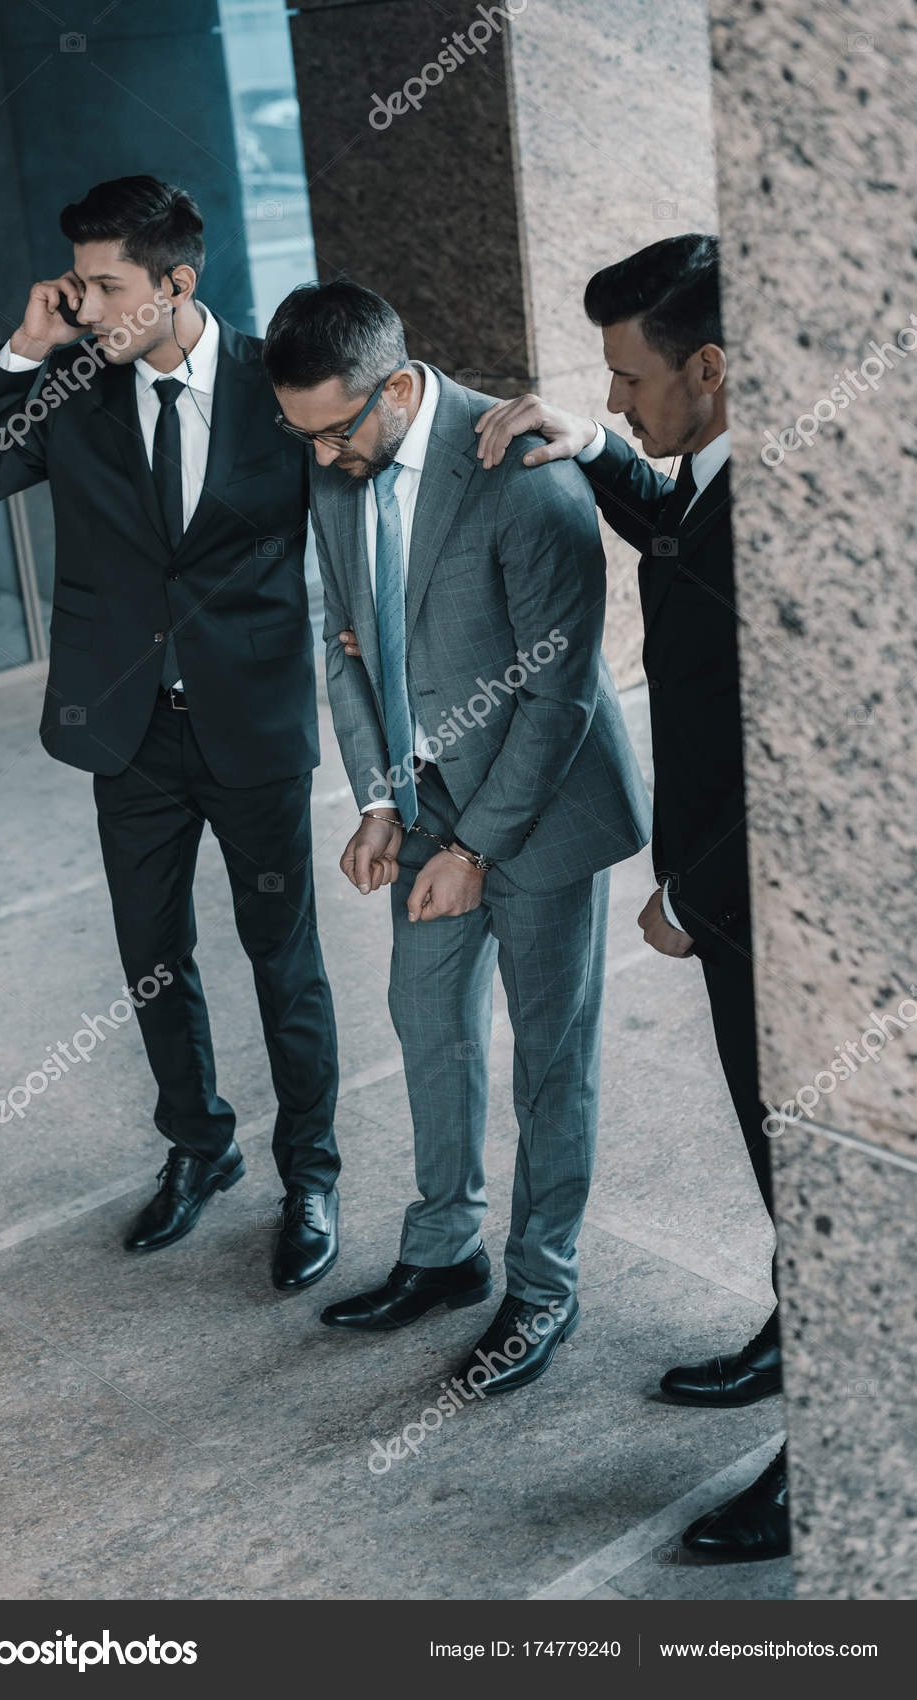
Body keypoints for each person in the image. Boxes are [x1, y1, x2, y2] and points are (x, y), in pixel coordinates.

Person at [0, 176, 340, 1291]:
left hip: (252, 728)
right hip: (128, 734)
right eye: (80, 280)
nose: (87, 301)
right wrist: (24, 342)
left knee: (282, 959)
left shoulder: (274, 387)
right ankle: (201, 1147)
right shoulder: (67, 387)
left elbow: (360, 506)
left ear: (176, 283)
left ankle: (312, 1173)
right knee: (152, 959)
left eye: (108, 285)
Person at [262, 279, 651, 1394]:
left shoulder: (521, 473)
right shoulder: (332, 451)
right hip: (424, 801)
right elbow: (345, 647)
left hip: (539, 808)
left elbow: (560, 696)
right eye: (304, 435)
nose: (323, 457)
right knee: (428, 1025)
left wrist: (474, 847)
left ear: (396, 385)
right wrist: (382, 803)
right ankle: (444, 1253)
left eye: (337, 429)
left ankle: (543, 1285)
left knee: (549, 1056)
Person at [473, 234, 787, 1559]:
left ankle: (830, 1447)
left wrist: (694, 887)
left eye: (631, 383)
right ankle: (802, 1320)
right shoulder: (715, 470)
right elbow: (670, 519)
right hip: (738, 905)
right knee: (788, 1162)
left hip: (781, 910)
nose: (619, 404)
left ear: (711, 368)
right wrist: (592, 450)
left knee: (812, 1155)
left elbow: (809, 745)